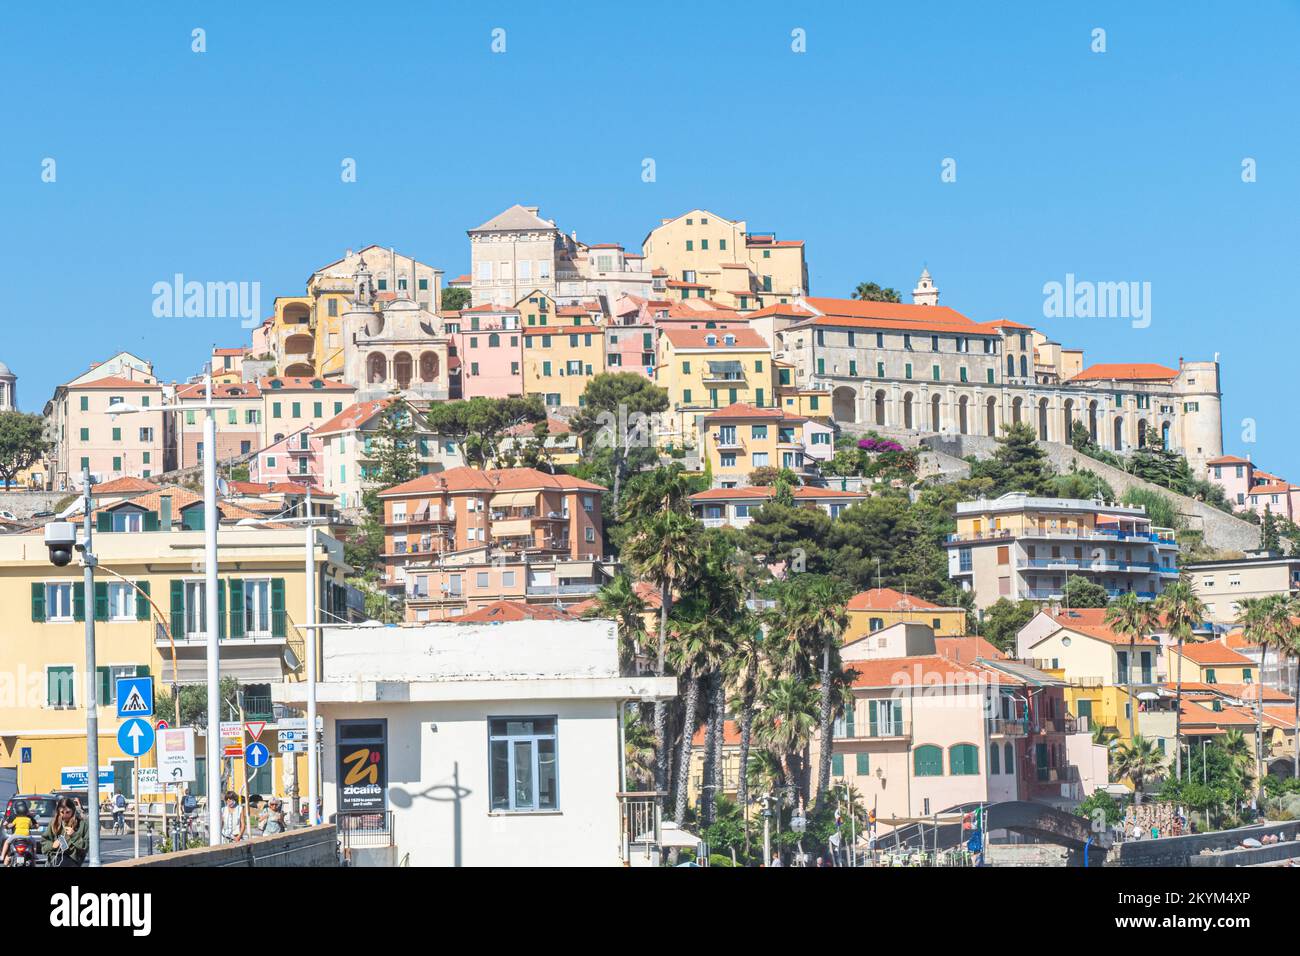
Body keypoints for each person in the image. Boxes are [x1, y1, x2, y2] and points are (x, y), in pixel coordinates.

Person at [41, 798, 89, 867]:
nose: (65, 815)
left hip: (73, 859)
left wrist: (74, 835)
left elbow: (85, 847)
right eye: (62, 812)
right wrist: (52, 845)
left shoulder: (82, 824)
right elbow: (44, 843)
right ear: (58, 811)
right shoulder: (54, 823)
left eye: (68, 812)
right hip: (55, 859)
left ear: (73, 810)